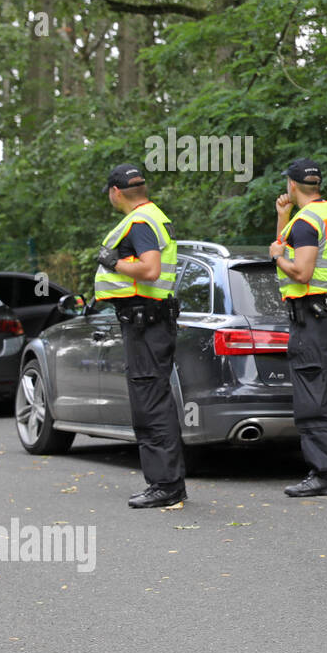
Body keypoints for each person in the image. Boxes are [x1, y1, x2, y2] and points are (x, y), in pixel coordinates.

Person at [94, 163, 186, 509]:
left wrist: (113, 263)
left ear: (115, 192)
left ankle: (165, 484)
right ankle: (169, 481)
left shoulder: (140, 222)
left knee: (149, 402)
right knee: (154, 397)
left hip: (146, 323)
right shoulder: (152, 216)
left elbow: (149, 270)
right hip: (148, 322)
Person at [269, 158, 327, 497]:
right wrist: (282, 218)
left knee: (313, 394)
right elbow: (291, 246)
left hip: (310, 317)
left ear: (291, 185)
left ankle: (324, 473)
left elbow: (301, 272)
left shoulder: (306, 223)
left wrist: (277, 257)